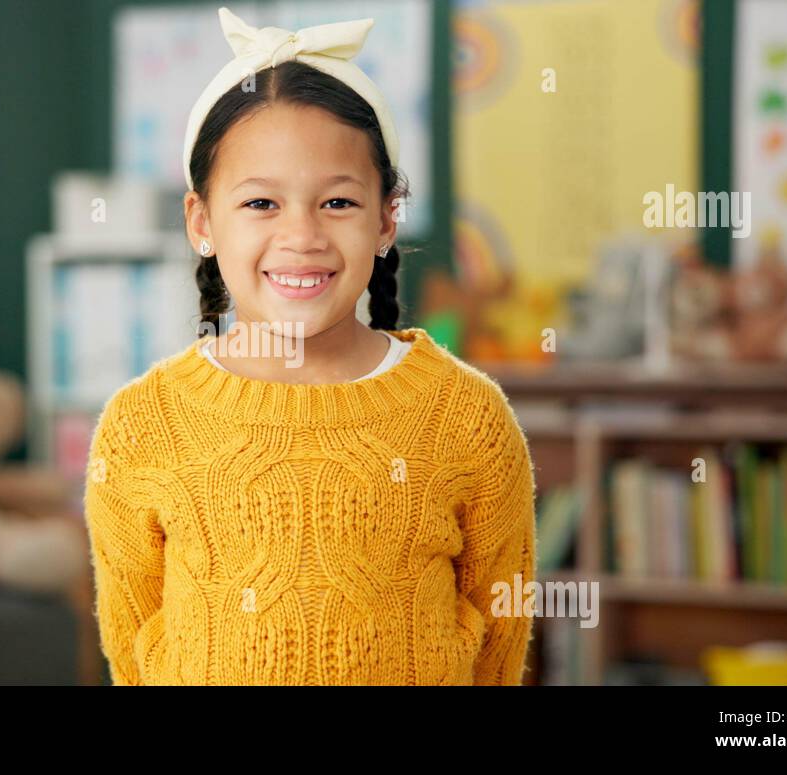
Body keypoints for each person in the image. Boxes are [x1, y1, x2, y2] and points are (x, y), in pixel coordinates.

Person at [83, 6, 536, 685]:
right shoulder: (140, 427)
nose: (302, 237)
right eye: (261, 204)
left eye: (338, 203)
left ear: (387, 217)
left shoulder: (468, 419)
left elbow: (499, 649)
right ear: (201, 221)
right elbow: (132, 650)